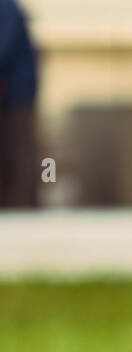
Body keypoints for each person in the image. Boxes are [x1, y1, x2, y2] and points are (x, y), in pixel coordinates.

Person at [0, 0, 38, 208]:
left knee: (18, 152)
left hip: (17, 95)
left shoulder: (5, 7)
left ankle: (22, 205)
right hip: (9, 95)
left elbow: (4, 46)